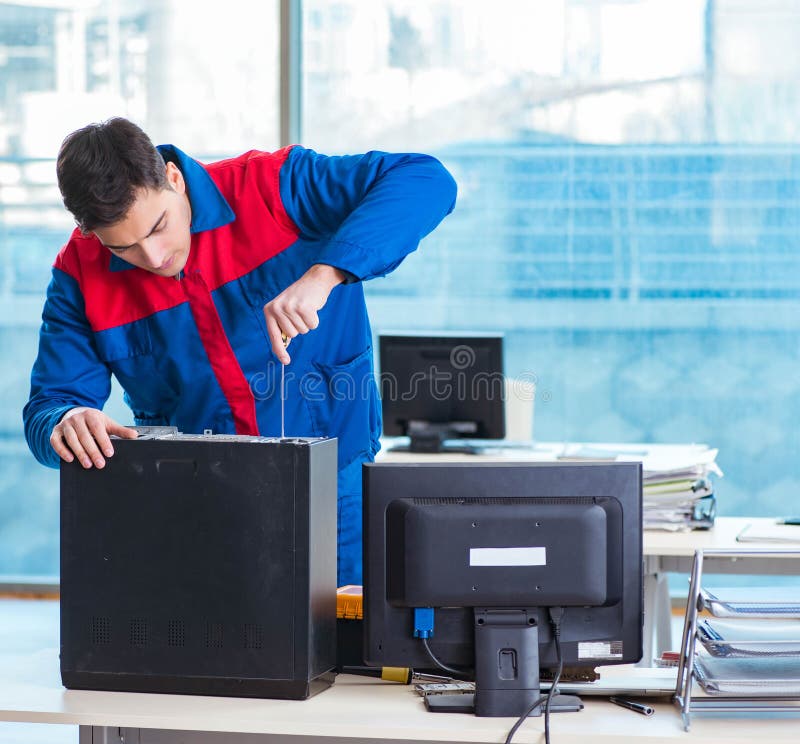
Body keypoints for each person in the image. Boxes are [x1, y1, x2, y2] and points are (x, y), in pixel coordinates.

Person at [22, 117, 457, 585]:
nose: (152, 258)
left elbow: (427, 179)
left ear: (173, 177)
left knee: (349, 647)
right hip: (199, 505)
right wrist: (65, 423)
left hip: (337, 491)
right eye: (124, 249)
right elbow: (48, 408)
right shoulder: (78, 276)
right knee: (215, 652)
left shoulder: (273, 188)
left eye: (158, 227)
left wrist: (325, 273)